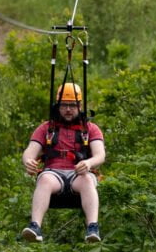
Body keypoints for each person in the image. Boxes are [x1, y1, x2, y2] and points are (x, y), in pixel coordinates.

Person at [21, 82, 106, 243]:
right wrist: (28, 161)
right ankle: (35, 226)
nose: (68, 109)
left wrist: (88, 163)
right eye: (64, 105)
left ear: (80, 106)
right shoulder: (46, 128)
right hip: (54, 174)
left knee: (88, 179)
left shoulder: (90, 129)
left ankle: (92, 227)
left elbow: (100, 155)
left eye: (72, 105)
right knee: (44, 179)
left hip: (79, 174)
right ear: (57, 106)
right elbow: (30, 151)